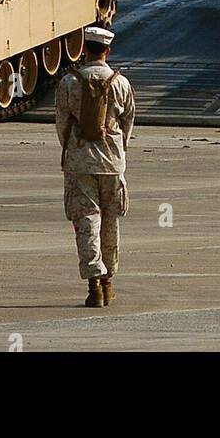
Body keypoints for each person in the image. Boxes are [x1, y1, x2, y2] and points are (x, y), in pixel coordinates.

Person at [54, 26, 135, 308]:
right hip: (113, 162)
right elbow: (128, 125)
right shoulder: (121, 83)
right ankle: (109, 281)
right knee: (110, 221)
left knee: (86, 219)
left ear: (84, 49)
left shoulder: (69, 83)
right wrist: (118, 150)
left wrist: (71, 148)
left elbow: (62, 124)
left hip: (80, 161)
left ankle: (94, 284)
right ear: (107, 51)